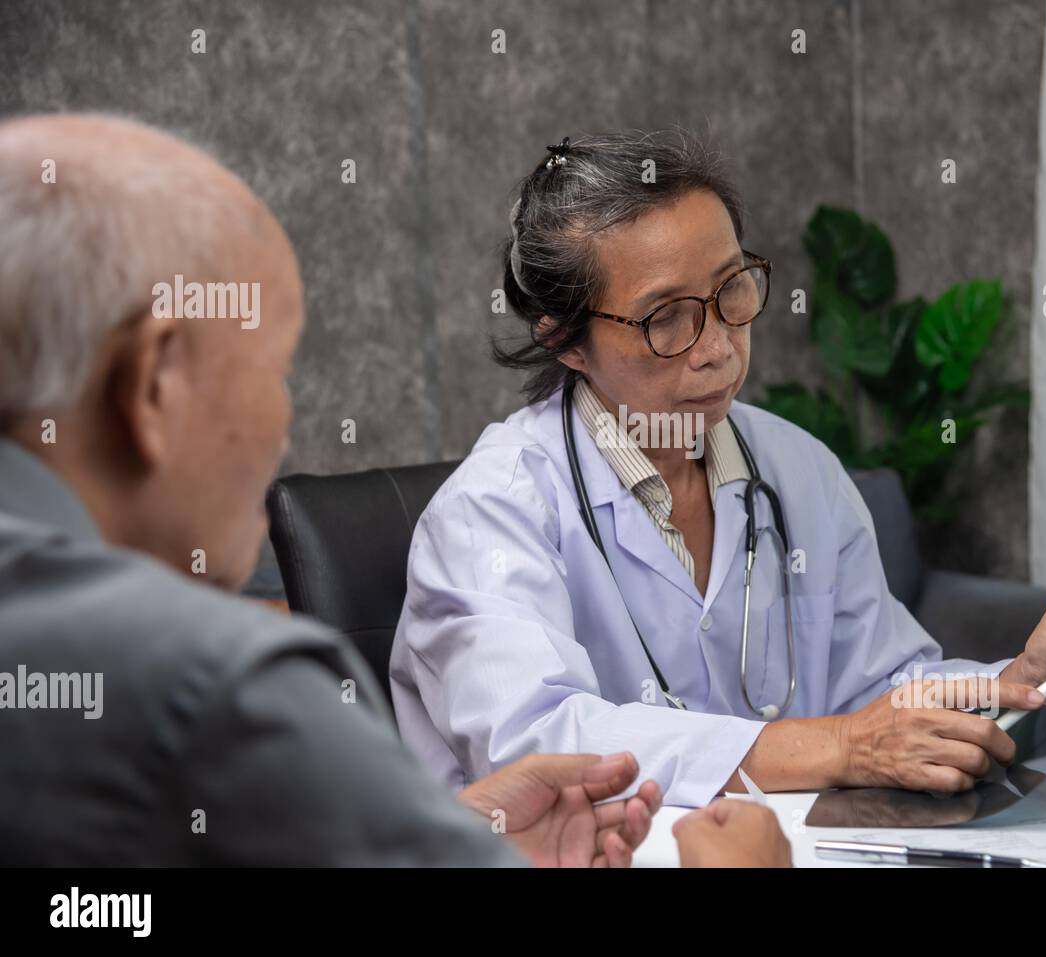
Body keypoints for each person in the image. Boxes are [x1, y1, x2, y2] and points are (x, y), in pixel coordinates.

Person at [0, 113, 789, 867]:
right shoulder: (224, 689)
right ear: (152, 386)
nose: (282, 423)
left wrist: (457, 836)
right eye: (274, 370)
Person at [391, 130, 1046, 807]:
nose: (718, 344)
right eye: (666, 318)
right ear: (565, 340)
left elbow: (880, 688)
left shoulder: (795, 467)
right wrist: (842, 746)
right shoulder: (491, 511)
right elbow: (539, 744)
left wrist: (1026, 680)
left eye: (731, 290)